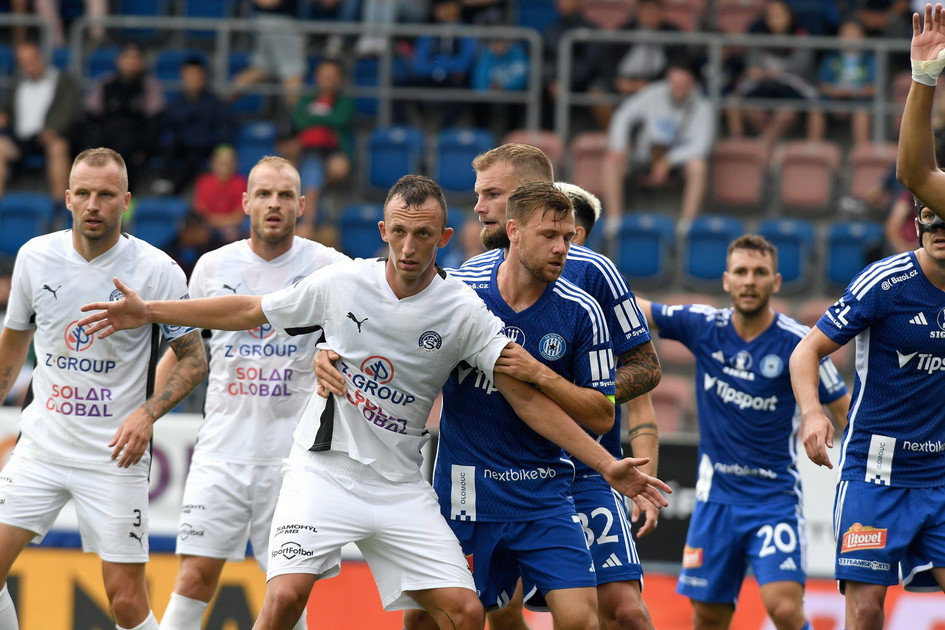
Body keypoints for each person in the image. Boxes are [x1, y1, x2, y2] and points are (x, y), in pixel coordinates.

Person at [77, 174, 671, 630]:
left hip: (399, 484)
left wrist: (606, 465)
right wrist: (149, 311)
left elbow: (526, 399)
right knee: (283, 595)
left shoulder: (464, 309)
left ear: (442, 238)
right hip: (322, 472)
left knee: (465, 612)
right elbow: (247, 310)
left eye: (423, 234)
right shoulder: (344, 283)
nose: (409, 247)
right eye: (399, 231)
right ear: (383, 231)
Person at [428, 144, 663, 630]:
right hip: (489, 473)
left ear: (527, 199)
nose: (480, 207)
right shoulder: (466, 281)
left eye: (492, 194)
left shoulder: (591, 275)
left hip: (581, 474)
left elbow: (645, 367)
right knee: (500, 611)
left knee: (621, 611)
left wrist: (568, 386)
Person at [0, 147, 209, 630]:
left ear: (126, 202)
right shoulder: (35, 258)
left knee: (125, 601)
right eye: (86, 194)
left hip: (114, 455)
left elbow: (194, 360)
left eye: (107, 195)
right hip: (42, 448)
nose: (95, 204)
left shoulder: (159, 271)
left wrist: (147, 415)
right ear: (68, 197)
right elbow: (13, 347)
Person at [157, 156, 348, 630]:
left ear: (302, 205)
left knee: (284, 597)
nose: (274, 204)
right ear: (245, 203)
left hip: (294, 462)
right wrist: (142, 411)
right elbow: (185, 350)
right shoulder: (210, 267)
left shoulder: (330, 268)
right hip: (220, 453)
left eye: (285, 195)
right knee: (194, 578)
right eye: (263, 194)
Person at [810, 4, 945, 627]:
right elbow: (914, 171)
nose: (938, 226)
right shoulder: (888, 281)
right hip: (877, 468)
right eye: (931, 218)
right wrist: (925, 77)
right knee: (864, 609)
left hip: (942, 472)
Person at [638, 234, 850, 630]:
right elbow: (639, 309)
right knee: (708, 618)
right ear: (726, 280)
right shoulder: (705, 326)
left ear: (776, 281)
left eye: (759, 272)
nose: (749, 280)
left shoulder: (800, 343)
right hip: (715, 500)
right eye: (741, 272)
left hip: (773, 500)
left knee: (785, 609)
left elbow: (845, 412)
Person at [601, 53, 715, 232]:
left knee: (698, 166)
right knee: (611, 160)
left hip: (677, 162)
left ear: (693, 82)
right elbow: (623, 115)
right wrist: (619, 146)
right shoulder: (654, 92)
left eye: (683, 83)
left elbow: (701, 146)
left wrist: (668, 161)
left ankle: (686, 227)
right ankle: (614, 224)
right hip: (645, 156)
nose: (677, 87)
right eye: (673, 82)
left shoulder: (703, 106)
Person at [0, 39, 82, 198]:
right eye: (23, 62)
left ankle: (60, 203)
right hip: (21, 137)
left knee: (58, 147)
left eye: (31, 60)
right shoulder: (18, 84)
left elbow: (69, 110)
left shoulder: (62, 81)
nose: (28, 65)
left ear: (41, 58)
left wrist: (53, 129)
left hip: (50, 134)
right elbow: (7, 109)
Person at [85, 43, 166, 193]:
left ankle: (125, 212)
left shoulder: (149, 87)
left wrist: (145, 148)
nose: (132, 61)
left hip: (135, 144)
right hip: (107, 140)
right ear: (119, 60)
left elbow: (155, 122)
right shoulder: (105, 84)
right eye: (128, 57)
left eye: (136, 58)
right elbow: (92, 117)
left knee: (126, 168)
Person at [154, 56, 236, 196]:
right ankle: (164, 180)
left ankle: (173, 193)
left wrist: (208, 142)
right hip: (181, 147)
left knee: (194, 158)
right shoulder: (176, 103)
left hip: (204, 149)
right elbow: (166, 127)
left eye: (195, 74)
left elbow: (225, 130)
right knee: (170, 143)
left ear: (203, 76)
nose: (192, 78)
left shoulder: (215, 104)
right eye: (188, 75)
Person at [291, 57, 355, 235]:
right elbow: (299, 120)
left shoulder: (344, 102)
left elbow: (340, 119)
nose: (328, 80)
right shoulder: (305, 99)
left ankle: (308, 221)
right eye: (324, 75)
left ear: (339, 79)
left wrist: (314, 118)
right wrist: (324, 120)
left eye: (332, 76)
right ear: (316, 77)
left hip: (333, 151)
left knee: (331, 167)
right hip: (306, 152)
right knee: (312, 165)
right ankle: (310, 221)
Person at [816, 19, 876, 146]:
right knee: (815, 107)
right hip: (834, 97)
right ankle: (813, 149)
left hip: (859, 98)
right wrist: (836, 92)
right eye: (846, 34)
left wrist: (853, 92)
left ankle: (862, 150)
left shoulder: (869, 59)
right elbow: (822, 85)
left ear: (863, 37)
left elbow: (873, 88)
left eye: (854, 34)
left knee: (861, 110)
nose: (850, 38)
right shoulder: (831, 58)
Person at [192, 144, 249, 243]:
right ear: (213, 163)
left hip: (233, 227)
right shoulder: (204, 182)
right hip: (208, 226)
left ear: (236, 163)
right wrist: (218, 223)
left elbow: (239, 216)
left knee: (232, 234)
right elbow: (201, 214)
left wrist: (221, 224)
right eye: (222, 162)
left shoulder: (241, 182)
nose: (226, 165)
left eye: (229, 162)